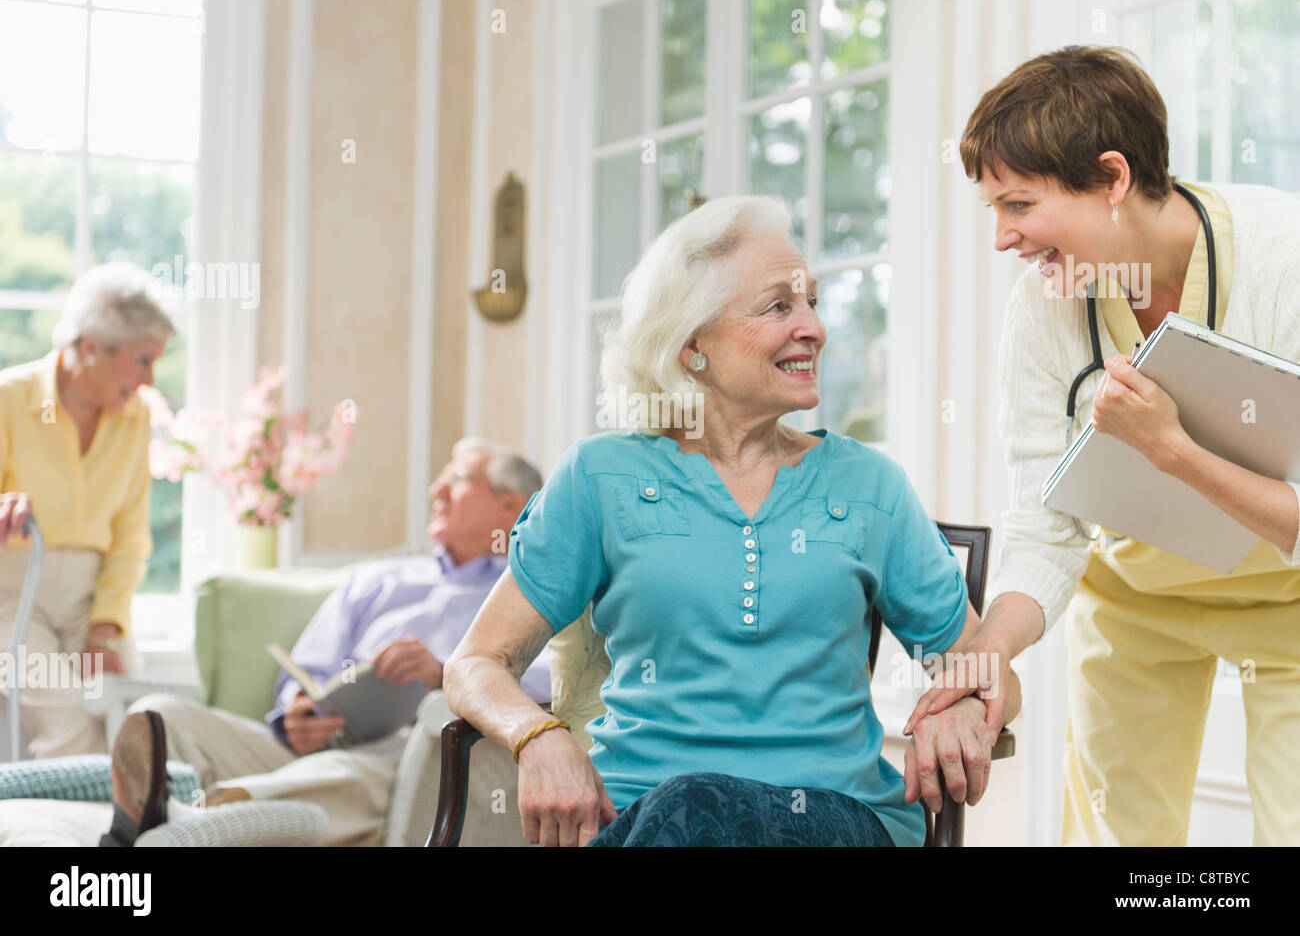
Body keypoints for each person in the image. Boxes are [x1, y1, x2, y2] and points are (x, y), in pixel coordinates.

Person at [444, 195, 1023, 848]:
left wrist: (968, 705)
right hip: (637, 819)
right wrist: (539, 736)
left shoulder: (868, 485)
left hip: (833, 820)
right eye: (779, 306)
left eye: (810, 303)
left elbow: (984, 665)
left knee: (697, 802)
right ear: (692, 343)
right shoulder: (600, 478)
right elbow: (474, 663)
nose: (813, 328)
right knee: (687, 809)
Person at [907, 46, 1300, 846]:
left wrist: (1172, 450)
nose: (1002, 238)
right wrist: (990, 654)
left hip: (1286, 604)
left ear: (1113, 177)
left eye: (1018, 205)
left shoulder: (1282, 259)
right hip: (1134, 603)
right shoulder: (1044, 311)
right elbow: (1044, 526)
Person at [100, 439, 550, 847]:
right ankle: (219, 815)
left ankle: (196, 817)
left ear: (507, 507)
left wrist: (447, 674)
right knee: (162, 714)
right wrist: (297, 709)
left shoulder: (529, 594)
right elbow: (307, 667)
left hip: (416, 759)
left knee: (372, 767)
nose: (436, 490)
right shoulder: (376, 579)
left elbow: (553, 685)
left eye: (457, 479)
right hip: (319, 746)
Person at [0, 262, 175, 757]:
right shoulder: (9, 400)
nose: (150, 378)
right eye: (142, 359)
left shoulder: (134, 418)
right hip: (11, 596)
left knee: (135, 722)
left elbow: (129, 535)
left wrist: (105, 627)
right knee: (71, 722)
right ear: (92, 345)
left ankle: (130, 834)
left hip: (90, 598)